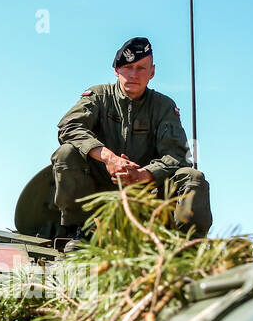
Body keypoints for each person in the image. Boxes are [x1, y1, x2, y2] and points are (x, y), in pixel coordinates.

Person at [52, 37, 211, 246]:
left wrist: (144, 174)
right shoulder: (99, 96)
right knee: (66, 153)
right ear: (116, 70)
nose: (134, 75)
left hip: (148, 194)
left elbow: (178, 156)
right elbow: (69, 126)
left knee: (192, 177)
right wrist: (109, 159)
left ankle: (188, 246)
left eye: (141, 68)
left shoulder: (163, 106)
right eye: (127, 67)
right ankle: (80, 232)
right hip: (98, 189)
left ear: (152, 72)